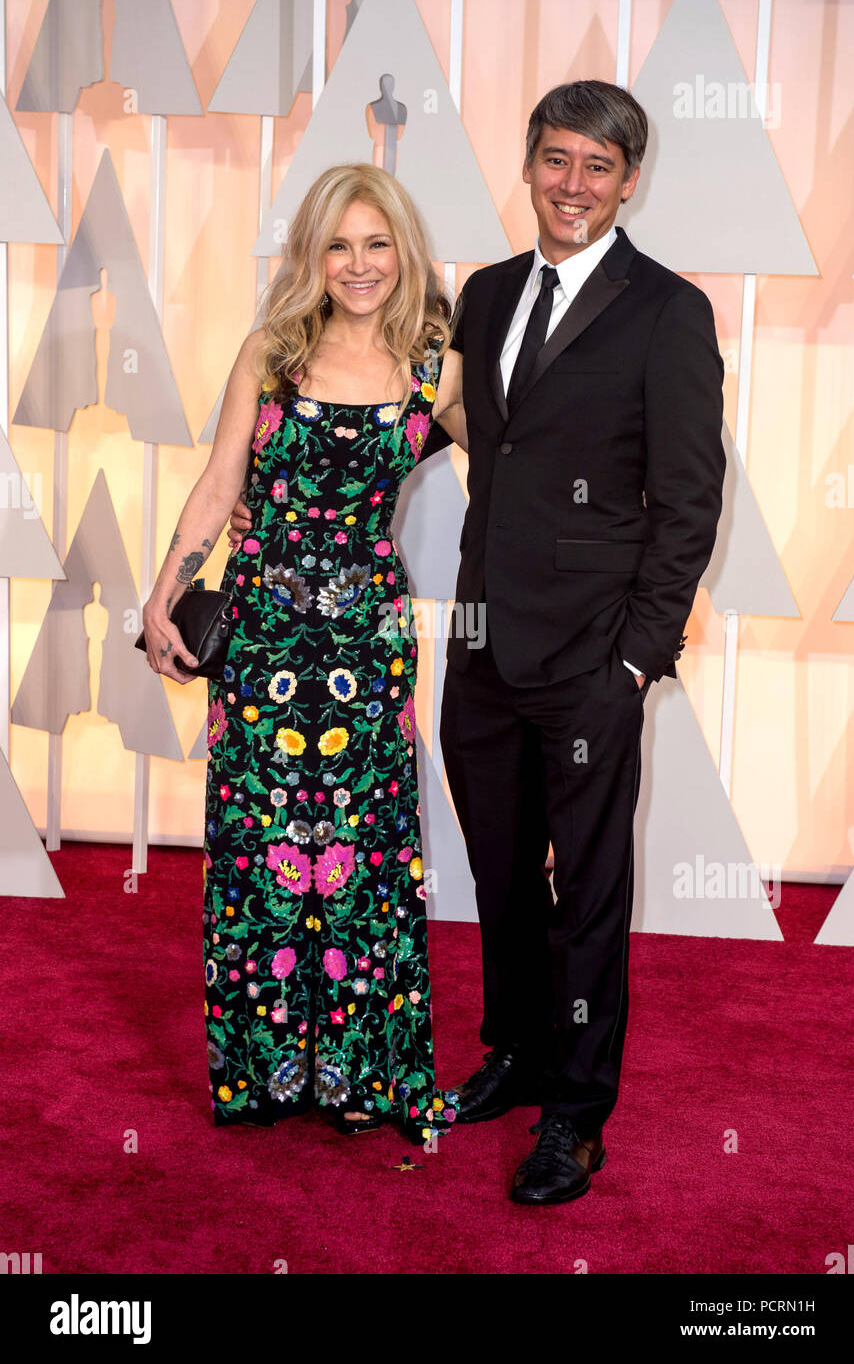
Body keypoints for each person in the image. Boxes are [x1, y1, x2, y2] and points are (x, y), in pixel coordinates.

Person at [229, 80, 726, 1204]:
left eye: (598, 167)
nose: (573, 185)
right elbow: (394, 407)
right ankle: (514, 1051)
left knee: (586, 896)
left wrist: (637, 662)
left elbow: (689, 501)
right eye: (556, 159)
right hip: (482, 650)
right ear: (529, 163)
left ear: (629, 179)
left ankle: (575, 1114)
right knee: (502, 874)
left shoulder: (668, 311)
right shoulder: (486, 298)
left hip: (596, 662)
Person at [141, 162, 467, 1145]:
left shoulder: (435, 366)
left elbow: (514, 473)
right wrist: (163, 592)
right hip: (263, 636)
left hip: (366, 640)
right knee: (261, 854)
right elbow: (215, 484)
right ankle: (265, 1075)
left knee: (366, 860)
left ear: (401, 252)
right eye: (339, 245)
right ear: (311, 255)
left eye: (377, 244)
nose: (359, 265)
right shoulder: (270, 352)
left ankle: (367, 1076)